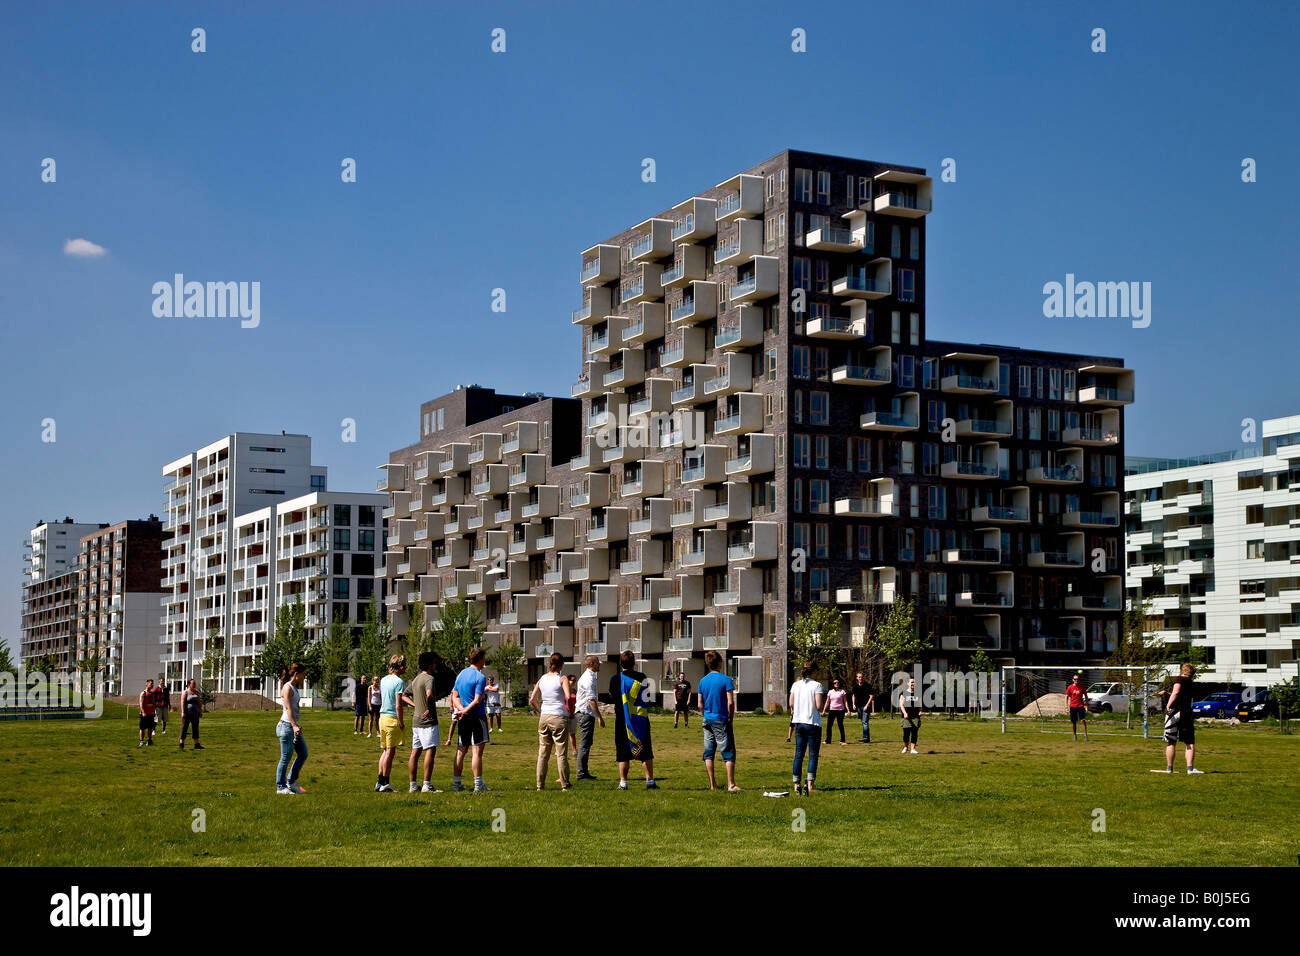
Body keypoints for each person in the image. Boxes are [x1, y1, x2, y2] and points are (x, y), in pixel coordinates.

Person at [611, 650, 656, 789]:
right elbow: (647, 697)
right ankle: (650, 781)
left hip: (622, 719)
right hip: (640, 719)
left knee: (623, 752)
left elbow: (612, 696)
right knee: (645, 751)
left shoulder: (615, 679)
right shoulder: (642, 677)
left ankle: (623, 782)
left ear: (620, 663)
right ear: (634, 663)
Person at [450, 647, 491, 792]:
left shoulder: (461, 674)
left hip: (463, 717)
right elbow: (477, 700)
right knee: (477, 751)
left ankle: (457, 784)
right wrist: (465, 711)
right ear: (480, 659)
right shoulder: (480, 677)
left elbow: (454, 695)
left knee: (461, 750)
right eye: (484, 658)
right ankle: (478, 785)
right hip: (477, 717)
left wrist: (461, 710)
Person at [697, 650, 739, 791]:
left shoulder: (702, 681)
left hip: (707, 719)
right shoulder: (726, 680)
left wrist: (705, 715)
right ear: (720, 663)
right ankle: (731, 784)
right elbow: (730, 703)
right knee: (728, 752)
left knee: (709, 753)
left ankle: (713, 784)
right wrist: (730, 718)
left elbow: (700, 704)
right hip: (721, 719)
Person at [529, 653, 571, 790]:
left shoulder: (542, 678)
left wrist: (541, 710)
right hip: (559, 716)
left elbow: (532, 699)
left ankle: (540, 785)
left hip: (544, 716)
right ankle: (565, 785)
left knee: (543, 754)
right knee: (561, 753)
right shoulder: (562, 678)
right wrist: (570, 711)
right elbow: (568, 697)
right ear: (561, 665)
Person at [404, 652, 441, 793]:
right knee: (430, 750)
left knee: (415, 752)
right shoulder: (429, 679)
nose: (436, 665)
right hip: (428, 722)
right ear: (430, 664)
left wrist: (415, 705)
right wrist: (429, 709)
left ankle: (413, 785)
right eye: (434, 663)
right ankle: (426, 785)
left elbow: (404, 695)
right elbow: (429, 694)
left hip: (416, 721)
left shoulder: (416, 679)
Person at [1160, 663, 1202, 774]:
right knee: (1189, 742)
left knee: (1171, 741)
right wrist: (1167, 694)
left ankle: (1169, 768)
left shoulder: (1179, 679)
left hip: (1174, 713)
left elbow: (1176, 692)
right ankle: (1190, 769)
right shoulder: (1191, 683)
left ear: (1183, 670)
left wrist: (1168, 705)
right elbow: (1180, 695)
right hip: (1186, 713)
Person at [789, 665, 823, 795]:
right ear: (813, 671)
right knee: (813, 755)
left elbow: (791, 703)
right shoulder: (817, 685)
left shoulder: (796, 685)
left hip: (799, 723)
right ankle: (809, 786)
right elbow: (818, 706)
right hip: (813, 722)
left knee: (799, 754)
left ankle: (796, 785)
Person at [375, 654, 407, 793]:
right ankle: (386, 783)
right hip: (392, 719)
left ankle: (380, 782)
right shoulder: (399, 682)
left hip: (382, 718)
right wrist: (401, 722)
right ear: (399, 666)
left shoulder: (383, 680)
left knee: (385, 751)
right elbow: (398, 705)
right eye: (404, 665)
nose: (406, 667)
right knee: (390, 752)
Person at [275, 663, 308, 795]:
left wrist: (296, 726)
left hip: (293, 727)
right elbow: (288, 708)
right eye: (303, 674)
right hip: (286, 726)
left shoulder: (294, 688)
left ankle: (291, 782)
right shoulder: (287, 688)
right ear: (296, 674)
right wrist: (294, 726)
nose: (304, 677)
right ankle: (281, 787)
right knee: (285, 757)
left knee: (303, 753)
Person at [574, 654, 604, 781]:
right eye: (597, 662)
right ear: (591, 664)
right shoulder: (589, 678)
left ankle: (584, 772)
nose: (599, 664)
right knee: (584, 744)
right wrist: (599, 717)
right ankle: (581, 774)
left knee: (586, 743)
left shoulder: (590, 676)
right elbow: (591, 700)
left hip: (584, 713)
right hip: (585, 713)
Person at [849, 672, 875, 743]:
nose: (860, 678)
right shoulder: (855, 687)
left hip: (866, 706)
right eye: (859, 677)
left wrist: (867, 705)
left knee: (865, 722)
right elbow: (853, 695)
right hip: (859, 706)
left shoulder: (867, 686)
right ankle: (865, 737)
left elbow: (871, 696)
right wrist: (853, 704)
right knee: (863, 721)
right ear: (857, 678)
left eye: (862, 677)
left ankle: (866, 738)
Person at [899, 676, 922, 755]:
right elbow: (901, 705)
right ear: (908, 683)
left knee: (914, 733)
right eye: (912, 682)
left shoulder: (918, 693)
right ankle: (905, 747)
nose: (913, 684)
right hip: (906, 717)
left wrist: (920, 711)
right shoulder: (903, 693)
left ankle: (913, 749)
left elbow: (920, 704)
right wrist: (905, 713)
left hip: (915, 716)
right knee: (906, 733)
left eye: (914, 682)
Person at [823, 678, 849, 745]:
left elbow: (845, 701)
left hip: (840, 710)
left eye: (837, 682)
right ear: (833, 684)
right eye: (835, 683)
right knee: (829, 726)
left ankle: (842, 740)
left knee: (840, 725)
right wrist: (824, 710)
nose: (836, 684)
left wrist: (848, 710)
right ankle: (828, 740)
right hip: (832, 710)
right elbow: (827, 702)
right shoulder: (830, 692)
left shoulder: (842, 691)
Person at [179, 678, 204, 750]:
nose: (194, 685)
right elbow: (182, 703)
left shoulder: (197, 692)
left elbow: (199, 703)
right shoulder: (185, 692)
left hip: (195, 713)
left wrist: (200, 712)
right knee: (184, 727)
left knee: (195, 728)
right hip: (187, 713)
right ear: (189, 684)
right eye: (193, 683)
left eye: (195, 683)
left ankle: (196, 744)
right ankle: (181, 743)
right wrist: (183, 712)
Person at [1066, 672, 1089, 742]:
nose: (1076, 680)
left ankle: (1085, 736)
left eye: (1077, 679)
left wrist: (1086, 706)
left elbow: (1086, 696)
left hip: (1080, 706)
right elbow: (1066, 697)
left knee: (1083, 720)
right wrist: (1066, 707)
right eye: (1075, 679)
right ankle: (1074, 735)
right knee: (1074, 722)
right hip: (1073, 706)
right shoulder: (1070, 687)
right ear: (1073, 680)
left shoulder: (1082, 687)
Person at [137, 678, 157, 748]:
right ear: (147, 684)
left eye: (153, 684)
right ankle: (141, 741)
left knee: (150, 728)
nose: (152, 685)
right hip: (144, 714)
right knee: (142, 728)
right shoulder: (143, 693)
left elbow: (153, 704)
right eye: (151, 683)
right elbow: (141, 704)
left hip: (151, 714)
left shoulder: (152, 694)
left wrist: (154, 711)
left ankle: (149, 740)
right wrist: (143, 712)